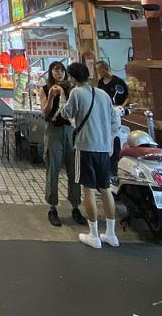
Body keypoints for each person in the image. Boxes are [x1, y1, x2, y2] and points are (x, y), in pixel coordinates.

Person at [61, 62, 121, 250]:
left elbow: (66, 113)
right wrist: (107, 137)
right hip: (104, 149)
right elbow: (115, 121)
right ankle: (111, 234)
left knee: (88, 189)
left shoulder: (76, 93)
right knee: (105, 189)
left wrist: (63, 99)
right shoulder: (103, 94)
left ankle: (94, 234)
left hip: (85, 146)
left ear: (72, 77)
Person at [37, 61, 84, 227]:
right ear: (51, 72)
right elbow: (45, 111)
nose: (59, 73)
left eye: (62, 70)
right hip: (53, 131)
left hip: (71, 131)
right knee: (53, 167)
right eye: (56, 70)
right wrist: (51, 96)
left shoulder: (73, 90)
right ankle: (52, 207)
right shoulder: (44, 88)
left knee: (74, 170)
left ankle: (75, 205)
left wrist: (64, 93)